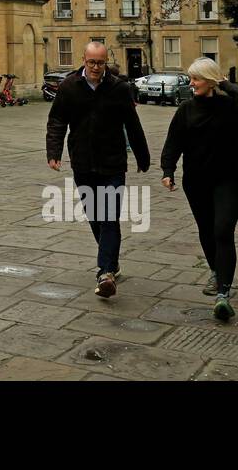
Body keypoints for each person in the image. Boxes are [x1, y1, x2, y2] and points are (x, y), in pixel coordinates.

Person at [46, 42, 150, 298]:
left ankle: (104, 272)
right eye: (91, 62)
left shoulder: (119, 88)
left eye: (100, 63)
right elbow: (57, 119)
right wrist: (54, 152)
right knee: (94, 216)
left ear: (106, 63)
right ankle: (112, 264)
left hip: (113, 162)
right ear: (84, 60)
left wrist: (142, 156)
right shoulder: (69, 86)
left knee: (108, 216)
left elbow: (132, 124)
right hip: (83, 161)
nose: (95, 67)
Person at [160, 58, 238, 322]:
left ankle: (223, 294)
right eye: (191, 78)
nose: (191, 83)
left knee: (222, 230)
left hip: (227, 179)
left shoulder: (232, 108)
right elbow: (173, 143)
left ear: (211, 81)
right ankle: (217, 271)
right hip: (196, 181)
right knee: (206, 230)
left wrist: (225, 82)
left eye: (197, 79)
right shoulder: (186, 110)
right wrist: (167, 171)